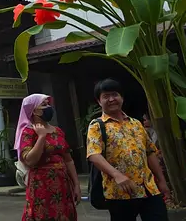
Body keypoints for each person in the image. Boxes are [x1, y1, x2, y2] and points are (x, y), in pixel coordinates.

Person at [86, 79, 169, 221]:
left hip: (148, 188)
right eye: (106, 96)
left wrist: (161, 180)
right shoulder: (97, 126)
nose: (111, 99)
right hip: (120, 192)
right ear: (99, 101)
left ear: (122, 98)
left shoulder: (136, 124)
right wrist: (117, 175)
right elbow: (94, 154)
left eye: (115, 95)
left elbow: (149, 152)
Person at [18, 94, 80, 221]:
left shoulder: (57, 131)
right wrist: (41, 137)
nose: (49, 107)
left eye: (48, 104)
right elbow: (30, 160)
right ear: (34, 110)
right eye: (44, 105)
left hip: (63, 183)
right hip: (41, 185)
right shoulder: (28, 133)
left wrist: (76, 185)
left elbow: (68, 160)